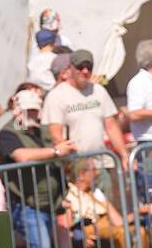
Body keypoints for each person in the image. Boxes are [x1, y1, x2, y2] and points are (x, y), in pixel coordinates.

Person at [0, 84, 73, 248]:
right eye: (28, 110)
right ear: (17, 109)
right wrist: (57, 151)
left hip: (47, 202)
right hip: (26, 203)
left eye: (34, 110)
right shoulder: (7, 133)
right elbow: (21, 156)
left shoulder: (40, 132)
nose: (32, 114)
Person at [42, 49, 129, 187]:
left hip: (101, 164)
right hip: (76, 168)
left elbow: (111, 126)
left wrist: (124, 154)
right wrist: (76, 160)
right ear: (70, 68)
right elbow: (55, 134)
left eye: (89, 67)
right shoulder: (56, 96)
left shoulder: (98, 91)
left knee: (106, 206)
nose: (85, 71)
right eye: (80, 67)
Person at [61, 157, 135, 248]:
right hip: (87, 228)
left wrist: (137, 213)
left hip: (107, 225)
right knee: (123, 233)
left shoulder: (95, 191)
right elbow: (66, 224)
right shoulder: (69, 193)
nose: (98, 173)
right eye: (93, 170)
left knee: (137, 231)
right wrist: (80, 236)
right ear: (81, 174)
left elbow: (118, 221)